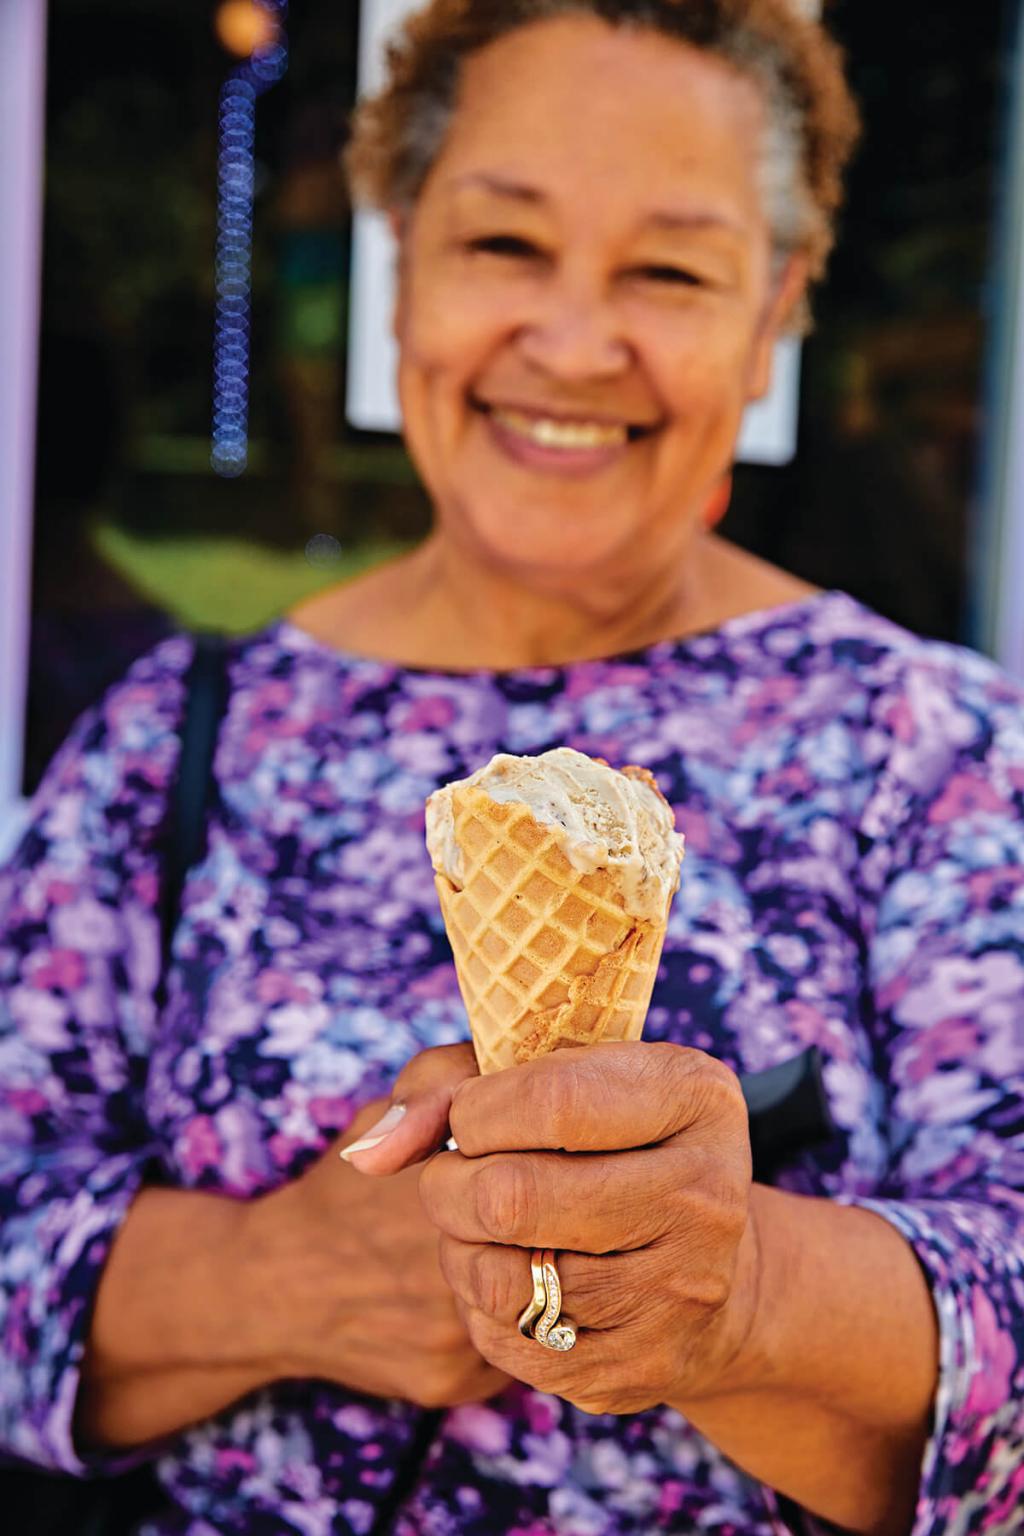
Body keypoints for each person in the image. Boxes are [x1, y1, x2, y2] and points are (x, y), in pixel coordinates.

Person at [1, 3, 1022, 1533]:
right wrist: (274, 1274)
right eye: (503, 245)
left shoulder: (934, 753)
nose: (573, 342)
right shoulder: (171, 742)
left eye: (670, 271)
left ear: (775, 312)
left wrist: (742, 1293)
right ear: (403, 264)